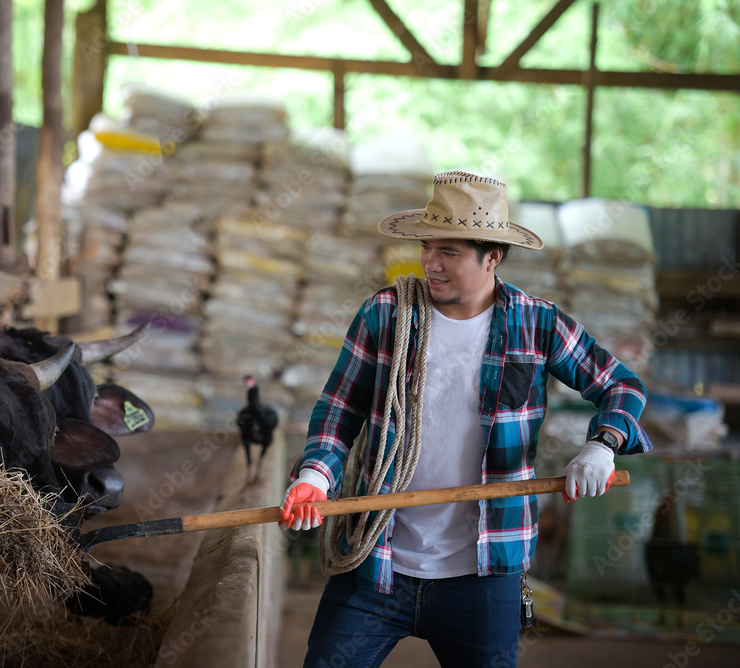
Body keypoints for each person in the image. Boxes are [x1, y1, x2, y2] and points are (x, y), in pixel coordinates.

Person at [278, 171, 651, 668]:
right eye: (428, 247)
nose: (430, 263)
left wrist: (603, 443)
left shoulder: (536, 324)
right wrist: (314, 474)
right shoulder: (388, 315)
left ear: (492, 255)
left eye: (449, 252)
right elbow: (341, 406)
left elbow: (621, 385)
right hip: (376, 561)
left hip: (484, 573)